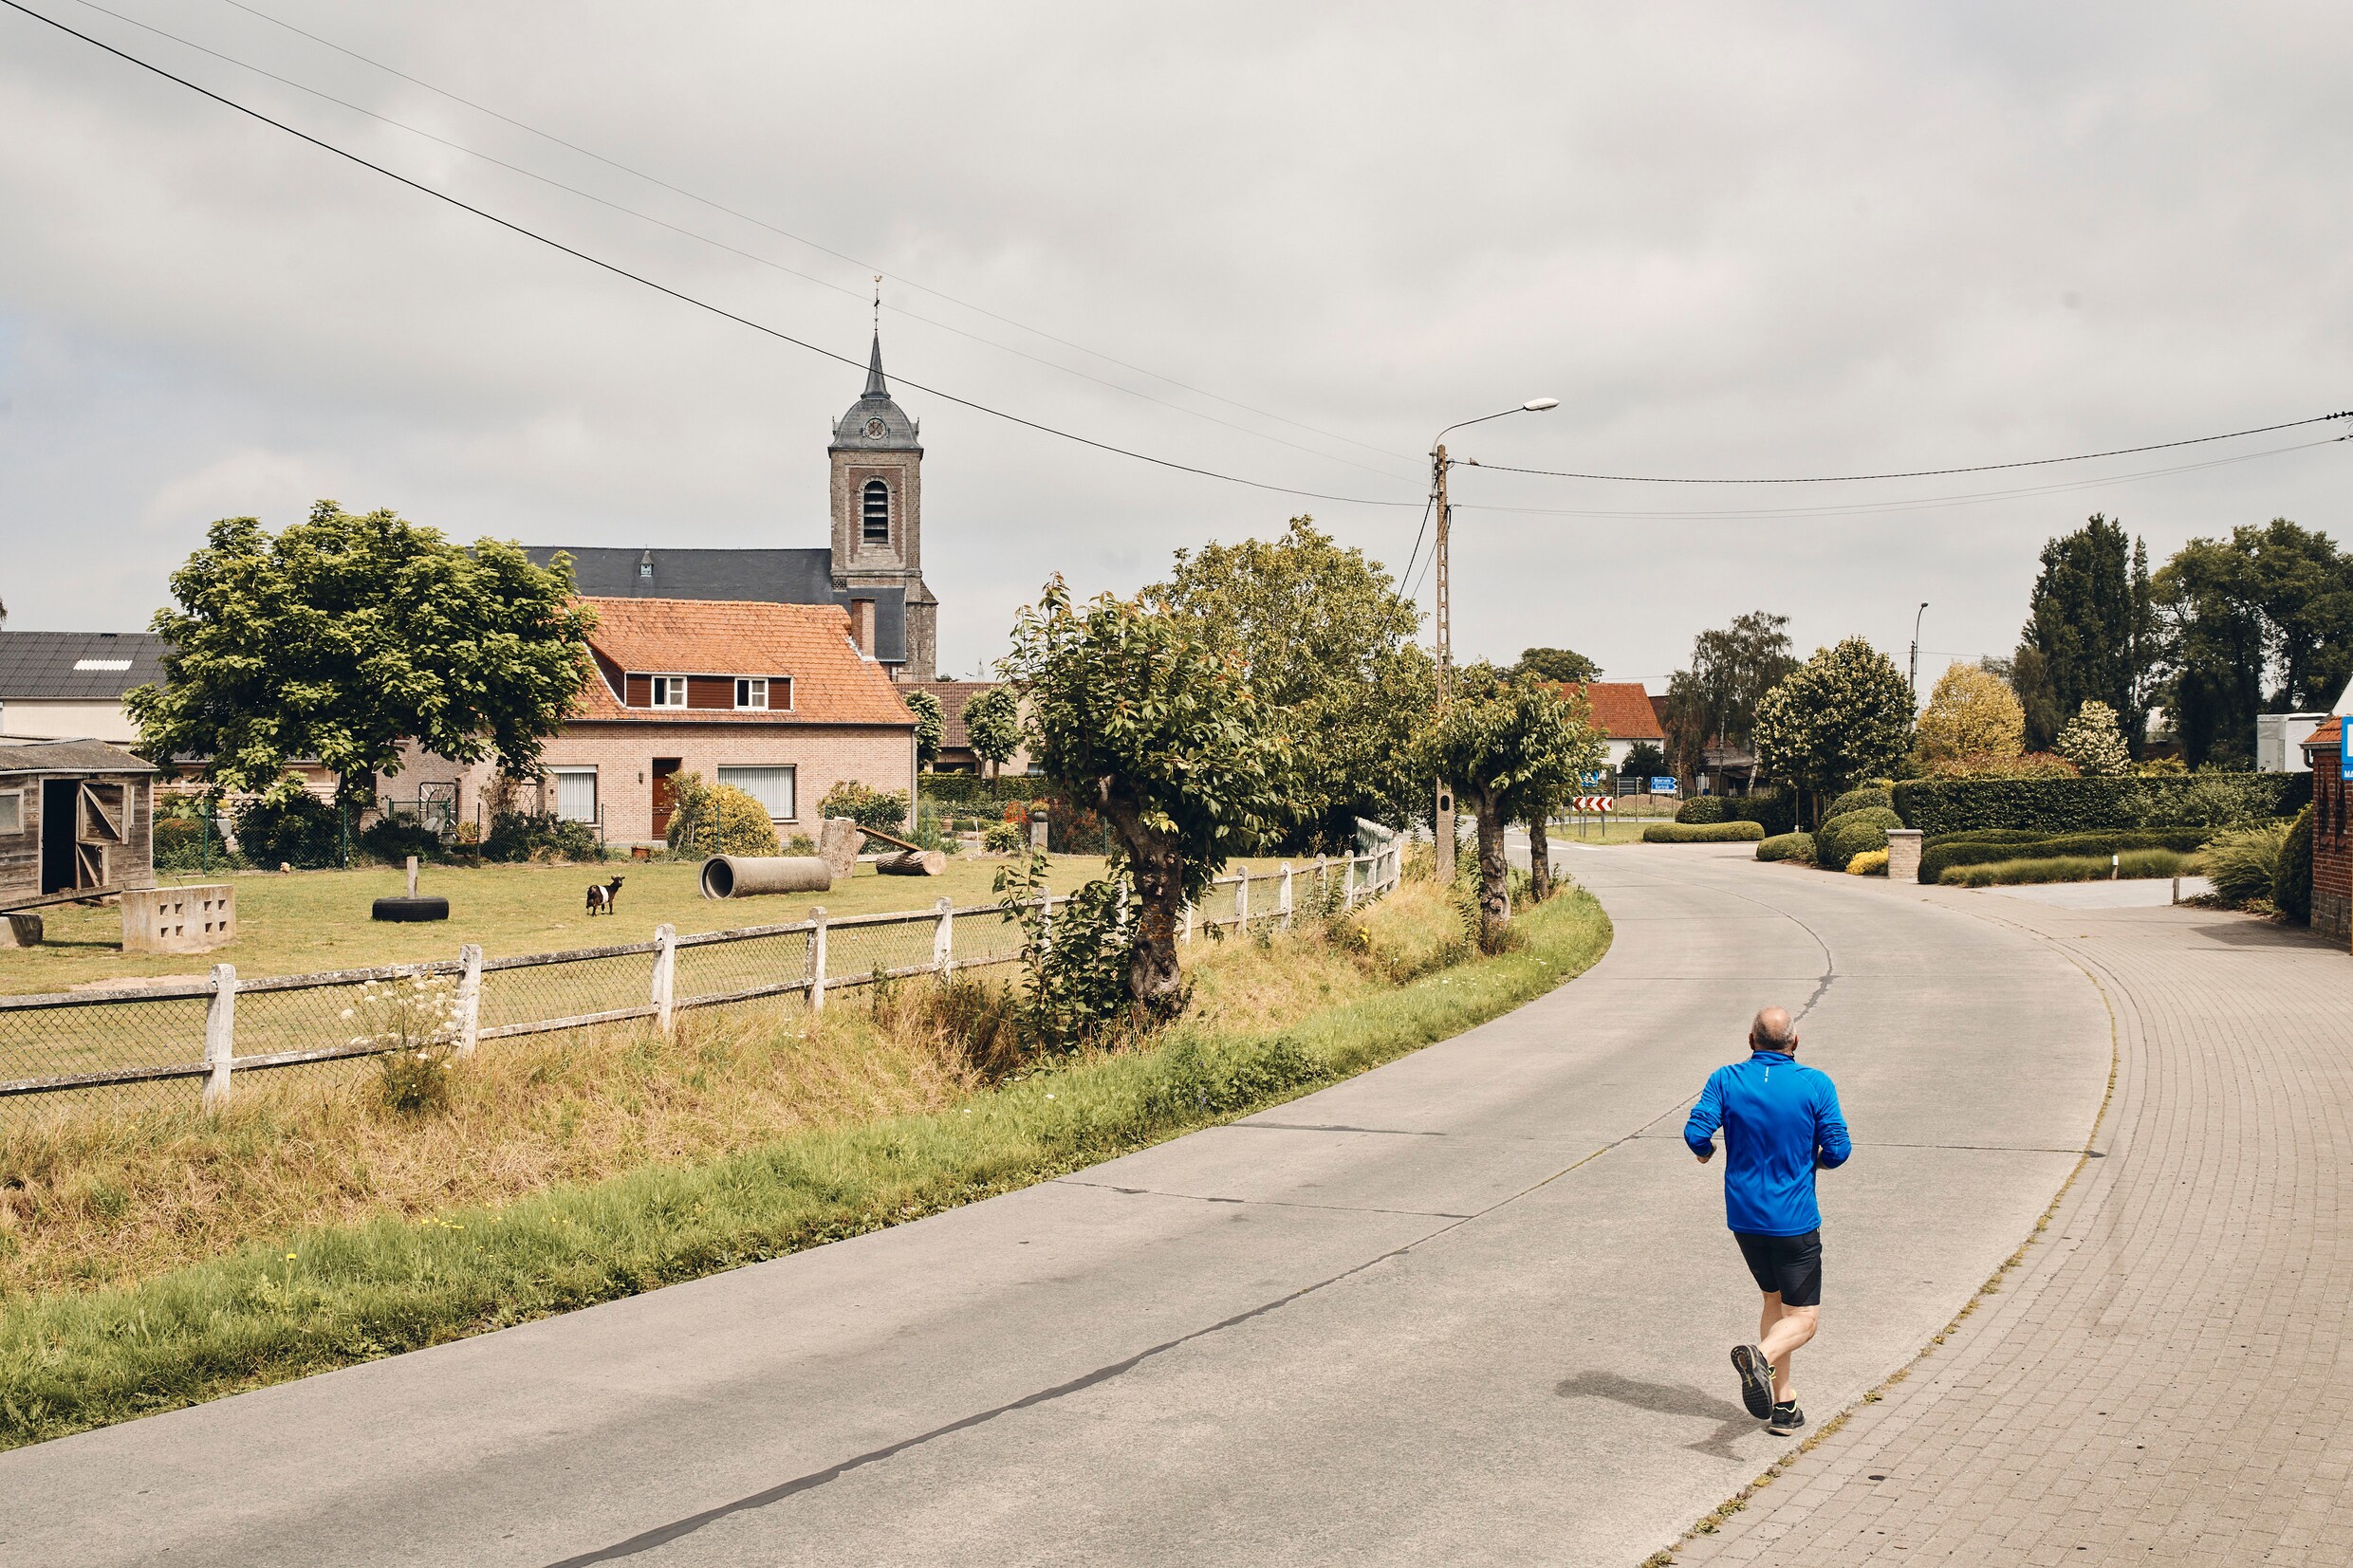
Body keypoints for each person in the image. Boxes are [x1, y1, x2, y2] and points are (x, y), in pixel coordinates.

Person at [1684, 1005, 1850, 1436]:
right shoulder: (1815, 1083)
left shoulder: (1725, 1079)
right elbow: (1839, 1149)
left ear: (1751, 1041)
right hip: (1793, 1221)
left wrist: (1706, 1152)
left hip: (1744, 1219)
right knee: (1806, 1320)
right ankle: (1758, 1356)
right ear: (1795, 1042)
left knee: (1773, 1302)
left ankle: (1784, 1405)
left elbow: (1696, 1133)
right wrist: (1816, 1162)